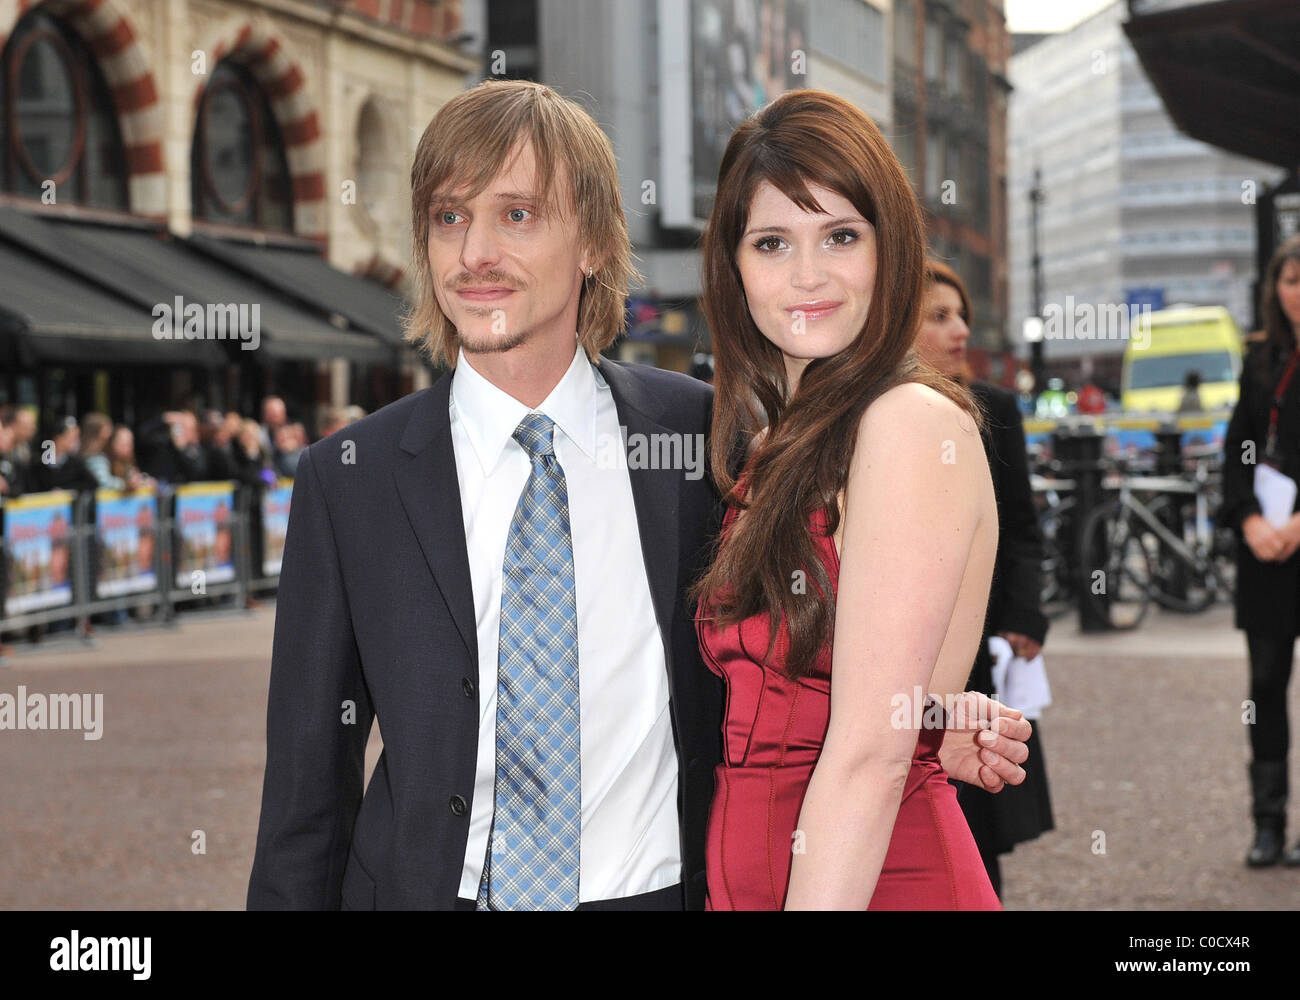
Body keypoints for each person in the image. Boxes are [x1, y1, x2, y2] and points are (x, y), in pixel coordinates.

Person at [246, 78, 1030, 912]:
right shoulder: (348, 479)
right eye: (449, 216)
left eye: (517, 214)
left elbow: (820, 673)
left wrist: (916, 715)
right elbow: (306, 794)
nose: (475, 253)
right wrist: (932, 715)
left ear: (591, 242)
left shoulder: (706, 442)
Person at [690, 89, 1016, 910]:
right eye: (772, 243)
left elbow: (871, 754)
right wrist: (945, 716)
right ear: (734, 268)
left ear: (891, 248)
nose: (808, 275)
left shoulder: (906, 424)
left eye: (840, 235)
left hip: (875, 881)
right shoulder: (776, 444)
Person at [914, 259, 1055, 897]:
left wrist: (1025, 617)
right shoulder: (879, 415)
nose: (961, 329)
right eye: (940, 316)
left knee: (971, 810)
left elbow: (1023, 526)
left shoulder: (993, 409)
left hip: (975, 649)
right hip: (910, 642)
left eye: (962, 314)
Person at [1221, 232, 1300, 867]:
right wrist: (1249, 520)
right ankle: (1268, 823)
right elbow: (1237, 453)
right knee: (1266, 686)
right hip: (1265, 554)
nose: (1298, 292)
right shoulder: (1260, 360)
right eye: (1291, 279)